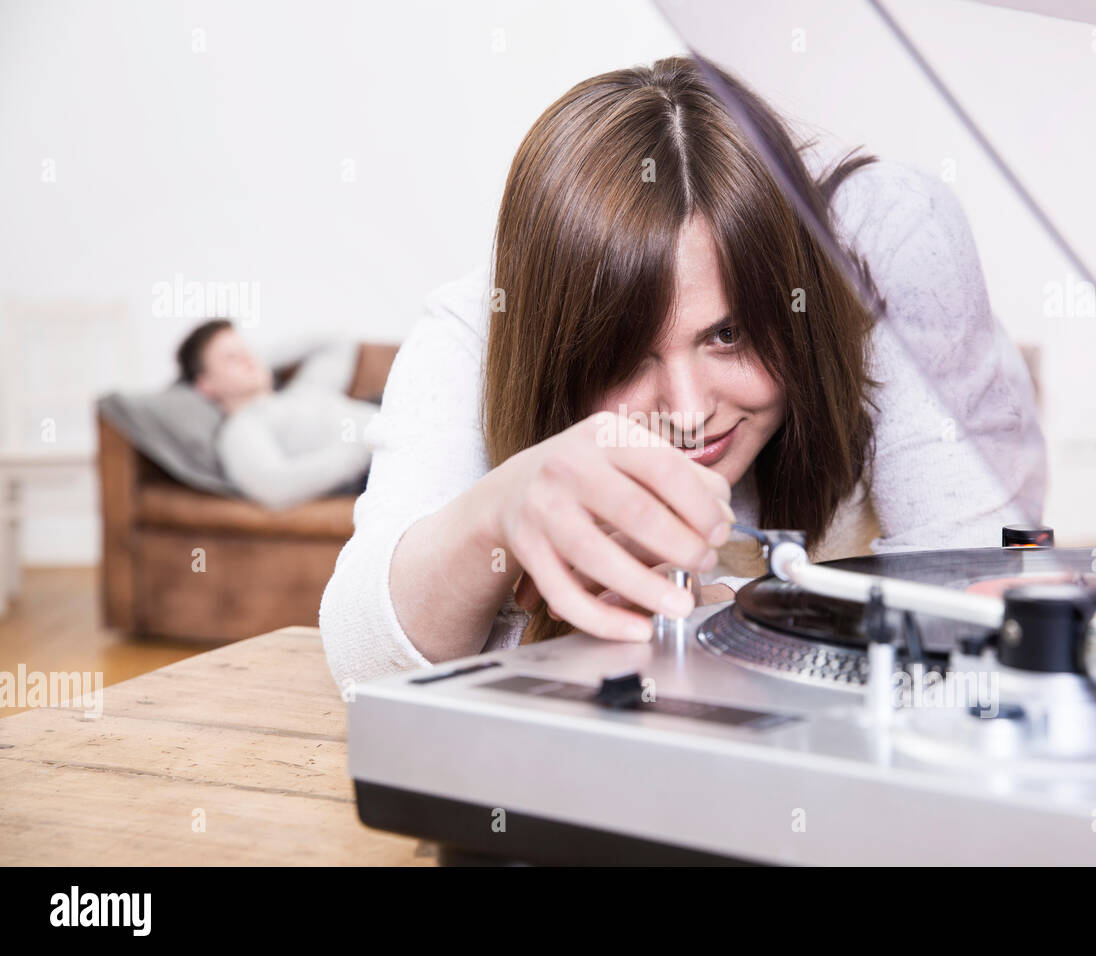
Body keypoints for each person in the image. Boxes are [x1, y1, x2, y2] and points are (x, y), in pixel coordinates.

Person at [319, 56, 1046, 688]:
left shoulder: (883, 248)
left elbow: (981, 588)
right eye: (623, 353)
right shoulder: (481, 322)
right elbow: (364, 662)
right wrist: (492, 519)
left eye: (728, 334)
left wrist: (729, 613)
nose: (690, 411)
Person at [176, 319, 378, 509]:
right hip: (378, 460)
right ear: (206, 385)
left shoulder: (304, 389)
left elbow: (336, 339)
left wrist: (260, 359)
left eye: (246, 349)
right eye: (231, 358)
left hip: (386, 423)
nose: (247, 358)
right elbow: (275, 488)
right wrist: (366, 446)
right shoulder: (242, 429)